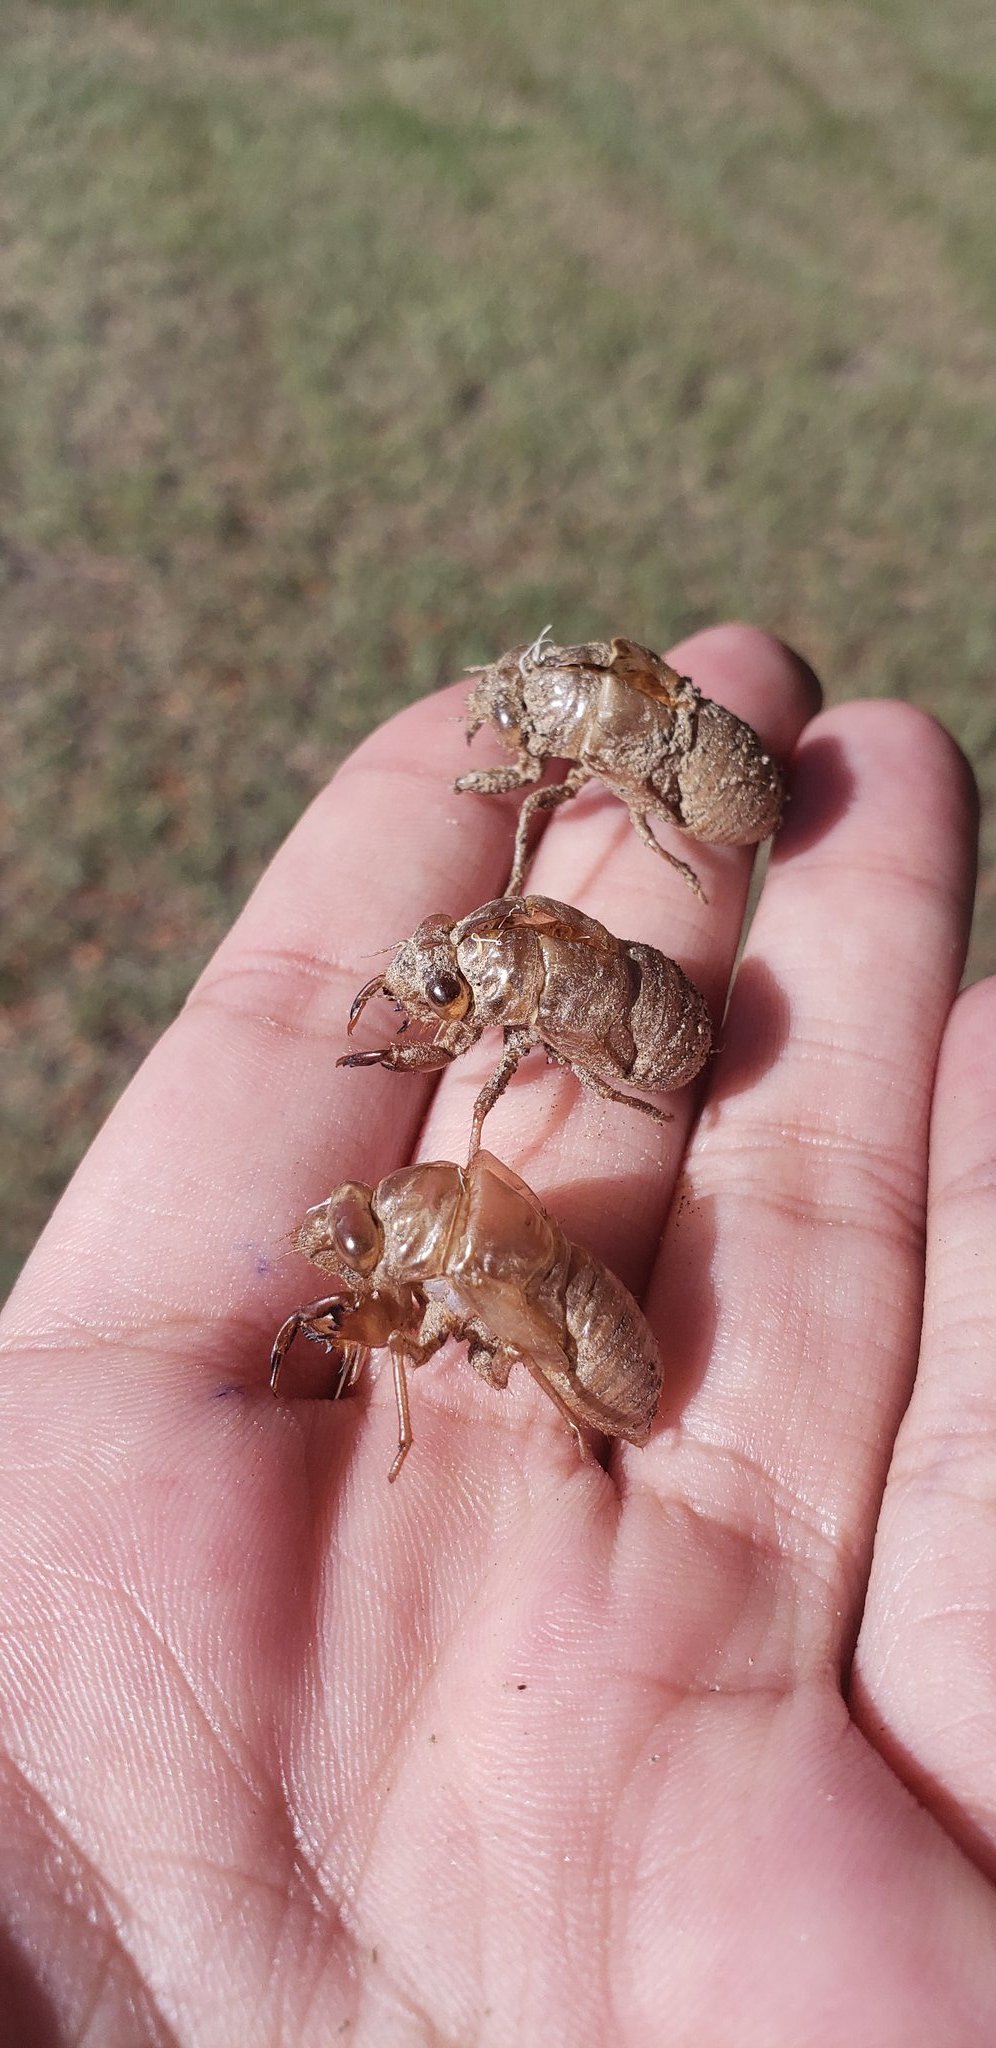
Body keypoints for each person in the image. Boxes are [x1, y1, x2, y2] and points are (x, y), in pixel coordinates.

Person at [1, 624, 993, 2045]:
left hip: (629, 1043)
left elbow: (484, 1189)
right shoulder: (473, 1120)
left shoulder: (501, 1084)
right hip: (603, 1080)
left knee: (546, 1304)